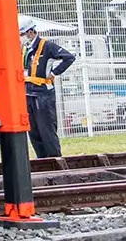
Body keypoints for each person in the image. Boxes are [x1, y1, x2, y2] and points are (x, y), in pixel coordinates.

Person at [19, 16, 77, 160]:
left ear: (31, 32)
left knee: (47, 129)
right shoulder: (25, 49)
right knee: (33, 131)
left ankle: (54, 159)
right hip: (28, 93)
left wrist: (54, 73)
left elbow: (68, 57)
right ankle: (42, 160)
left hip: (43, 94)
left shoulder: (47, 46)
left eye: (23, 34)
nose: (22, 38)